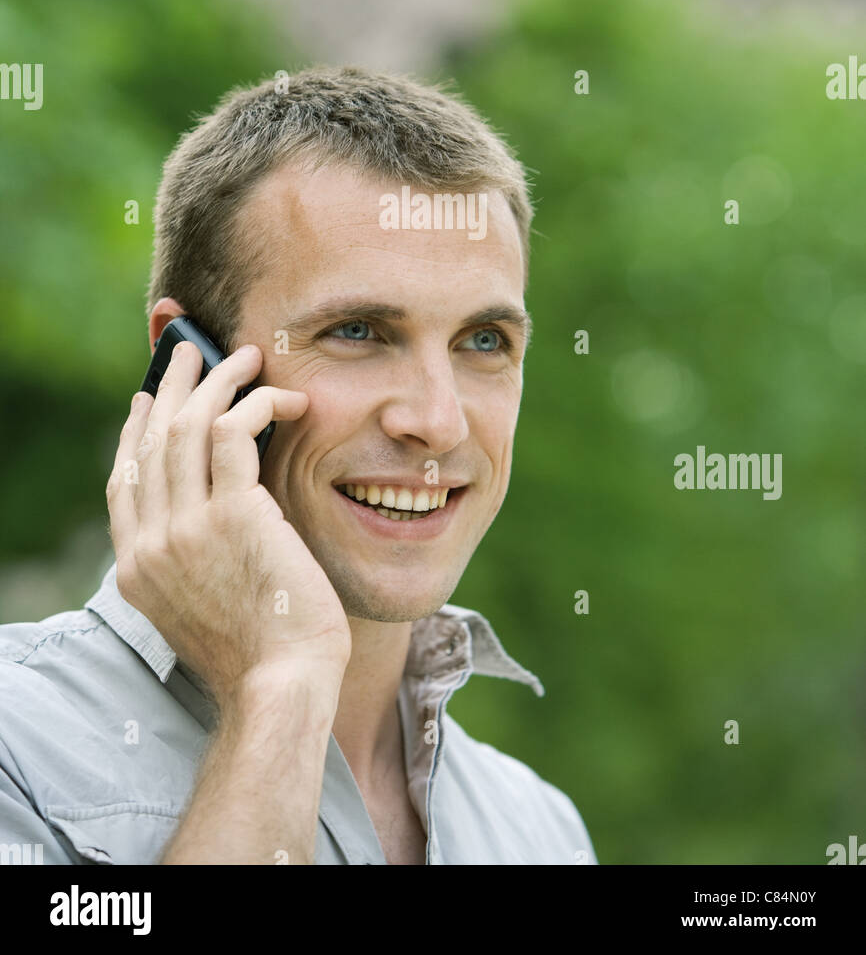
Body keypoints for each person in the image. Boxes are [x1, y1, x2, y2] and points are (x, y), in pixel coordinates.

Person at [0, 65, 597, 866]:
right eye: (357, 331)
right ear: (190, 366)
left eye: (483, 342)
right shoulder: (18, 748)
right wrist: (281, 687)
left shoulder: (540, 829)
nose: (437, 421)